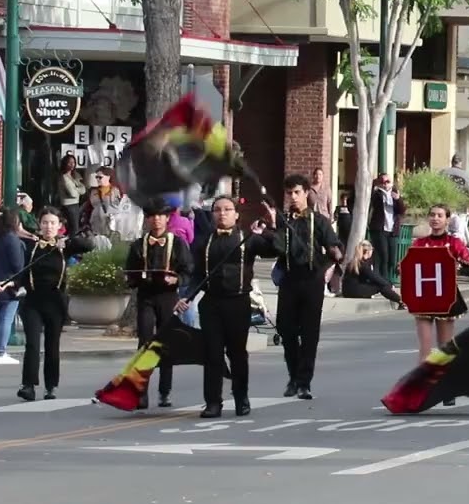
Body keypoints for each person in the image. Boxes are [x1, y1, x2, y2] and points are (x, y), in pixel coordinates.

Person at [175, 196, 281, 419]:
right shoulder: (204, 241)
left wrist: (271, 226)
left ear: (236, 214)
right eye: (217, 210)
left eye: (227, 209)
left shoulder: (249, 239)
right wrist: (186, 296)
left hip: (238, 302)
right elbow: (196, 275)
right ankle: (213, 402)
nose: (222, 214)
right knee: (212, 354)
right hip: (211, 303)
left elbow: (277, 249)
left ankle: (241, 397)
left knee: (237, 354)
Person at [0, 208, 93, 400]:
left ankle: (51, 386)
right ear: (39, 225)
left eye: (52, 223)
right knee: (32, 344)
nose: (48, 227)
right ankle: (28, 385)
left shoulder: (64, 246)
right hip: (33, 301)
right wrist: (12, 283)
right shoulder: (32, 244)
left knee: (52, 345)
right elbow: (23, 271)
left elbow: (88, 245)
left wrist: (68, 241)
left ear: (59, 226)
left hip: (56, 301)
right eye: (45, 223)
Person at [274, 173, 344, 399]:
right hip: (289, 279)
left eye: (297, 192)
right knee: (286, 329)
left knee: (309, 332)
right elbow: (274, 246)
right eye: (289, 193)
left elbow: (333, 245)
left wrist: (335, 254)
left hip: (312, 279)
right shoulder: (283, 220)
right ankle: (293, 377)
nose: (293, 197)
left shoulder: (319, 221)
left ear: (306, 193)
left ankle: (304, 382)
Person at [124, 198, 194, 409]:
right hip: (146, 296)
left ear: (167, 218)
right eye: (152, 216)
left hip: (168, 297)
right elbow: (130, 272)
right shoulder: (138, 244)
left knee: (166, 343)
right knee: (145, 344)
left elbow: (188, 270)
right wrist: (134, 279)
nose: (156, 220)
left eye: (161, 216)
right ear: (147, 219)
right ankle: (141, 392)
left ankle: (165, 391)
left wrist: (177, 280)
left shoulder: (178, 243)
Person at [409, 205, 469, 365]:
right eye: (432, 215)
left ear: (447, 220)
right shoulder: (419, 243)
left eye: (440, 215)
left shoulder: (454, 243)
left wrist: (455, 267)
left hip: (446, 297)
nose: (435, 218)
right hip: (423, 297)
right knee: (425, 349)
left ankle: (443, 384)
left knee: (445, 348)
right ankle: (423, 386)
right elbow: (407, 267)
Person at [0, 208, 25, 365]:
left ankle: (0, 350)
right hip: (9, 283)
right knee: (7, 317)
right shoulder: (12, 239)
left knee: (1, 317)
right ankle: (1, 352)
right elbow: (18, 265)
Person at [368, 172, 406, 284]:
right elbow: (371, 203)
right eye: (383, 182)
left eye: (387, 182)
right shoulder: (377, 194)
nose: (385, 184)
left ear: (391, 183)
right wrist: (375, 186)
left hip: (393, 230)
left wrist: (398, 199)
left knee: (392, 258)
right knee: (383, 255)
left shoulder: (395, 194)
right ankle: (385, 282)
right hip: (380, 229)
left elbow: (402, 210)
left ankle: (389, 279)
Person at [339, 240, 404, 305]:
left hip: (346, 291)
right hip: (354, 291)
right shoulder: (363, 264)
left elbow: (373, 277)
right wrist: (389, 285)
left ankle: (400, 300)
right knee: (381, 286)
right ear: (368, 251)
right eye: (372, 249)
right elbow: (374, 277)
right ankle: (401, 301)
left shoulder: (353, 262)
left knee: (380, 284)